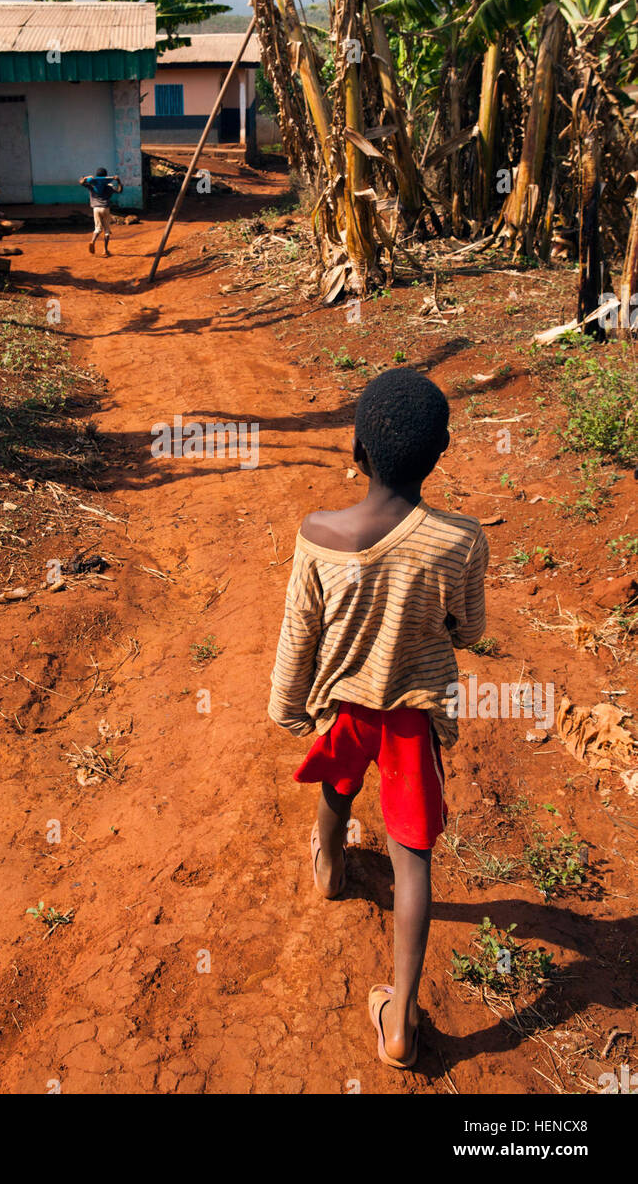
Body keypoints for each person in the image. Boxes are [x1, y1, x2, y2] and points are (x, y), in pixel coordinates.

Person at [268, 368, 489, 1070]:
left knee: (338, 791)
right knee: (411, 852)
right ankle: (401, 1019)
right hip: (410, 724)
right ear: (442, 450)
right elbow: (471, 627)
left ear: (356, 447)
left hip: (344, 707)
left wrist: (286, 704)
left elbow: (298, 631)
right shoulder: (460, 540)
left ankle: (330, 869)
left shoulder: (317, 533)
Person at [80, 167, 124, 257]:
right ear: (105, 177)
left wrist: (86, 177)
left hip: (95, 209)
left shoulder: (92, 186)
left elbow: (81, 182)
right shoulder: (109, 187)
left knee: (97, 228)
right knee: (107, 230)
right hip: (105, 208)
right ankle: (105, 250)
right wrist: (119, 181)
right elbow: (120, 190)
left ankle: (92, 241)